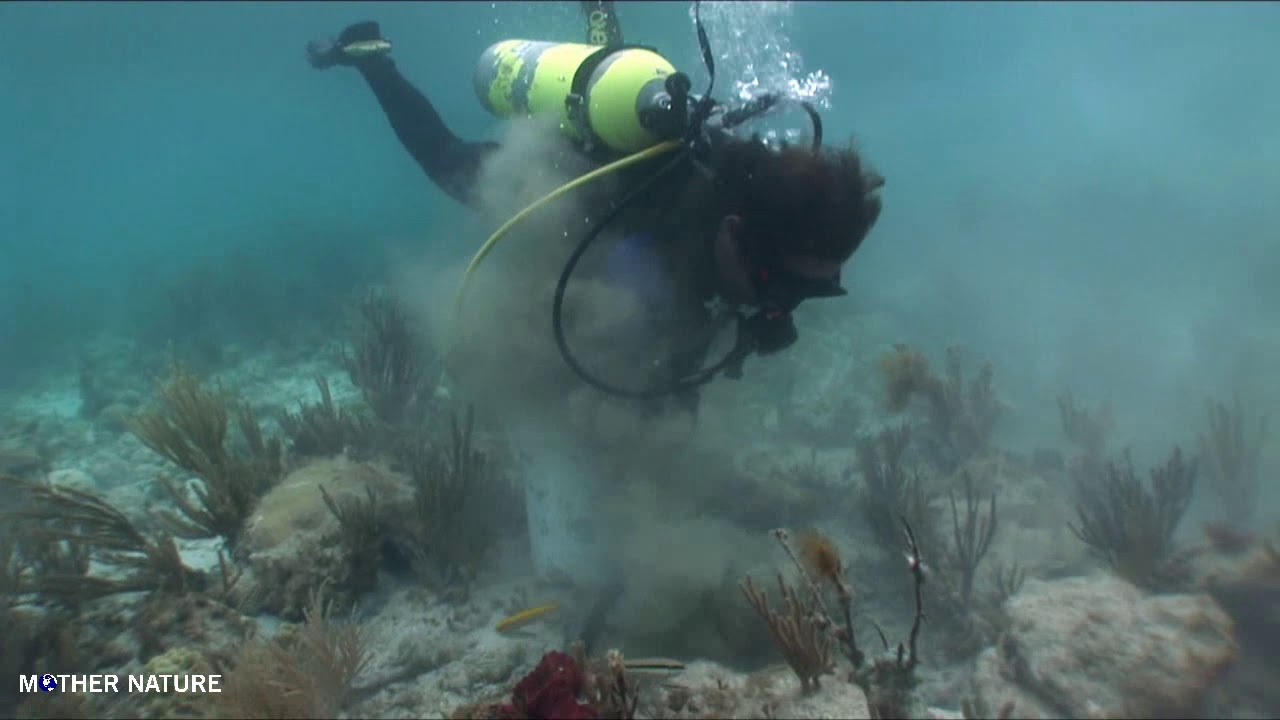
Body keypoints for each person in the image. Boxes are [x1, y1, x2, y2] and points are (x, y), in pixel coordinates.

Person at [305, 2, 884, 419]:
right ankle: (372, 59)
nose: (782, 304)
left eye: (812, 289)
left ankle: (601, 21)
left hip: (644, 166)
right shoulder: (653, 236)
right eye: (778, 286)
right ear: (733, 234)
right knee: (445, 159)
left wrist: (767, 309)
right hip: (574, 176)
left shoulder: (765, 222)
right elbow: (601, 339)